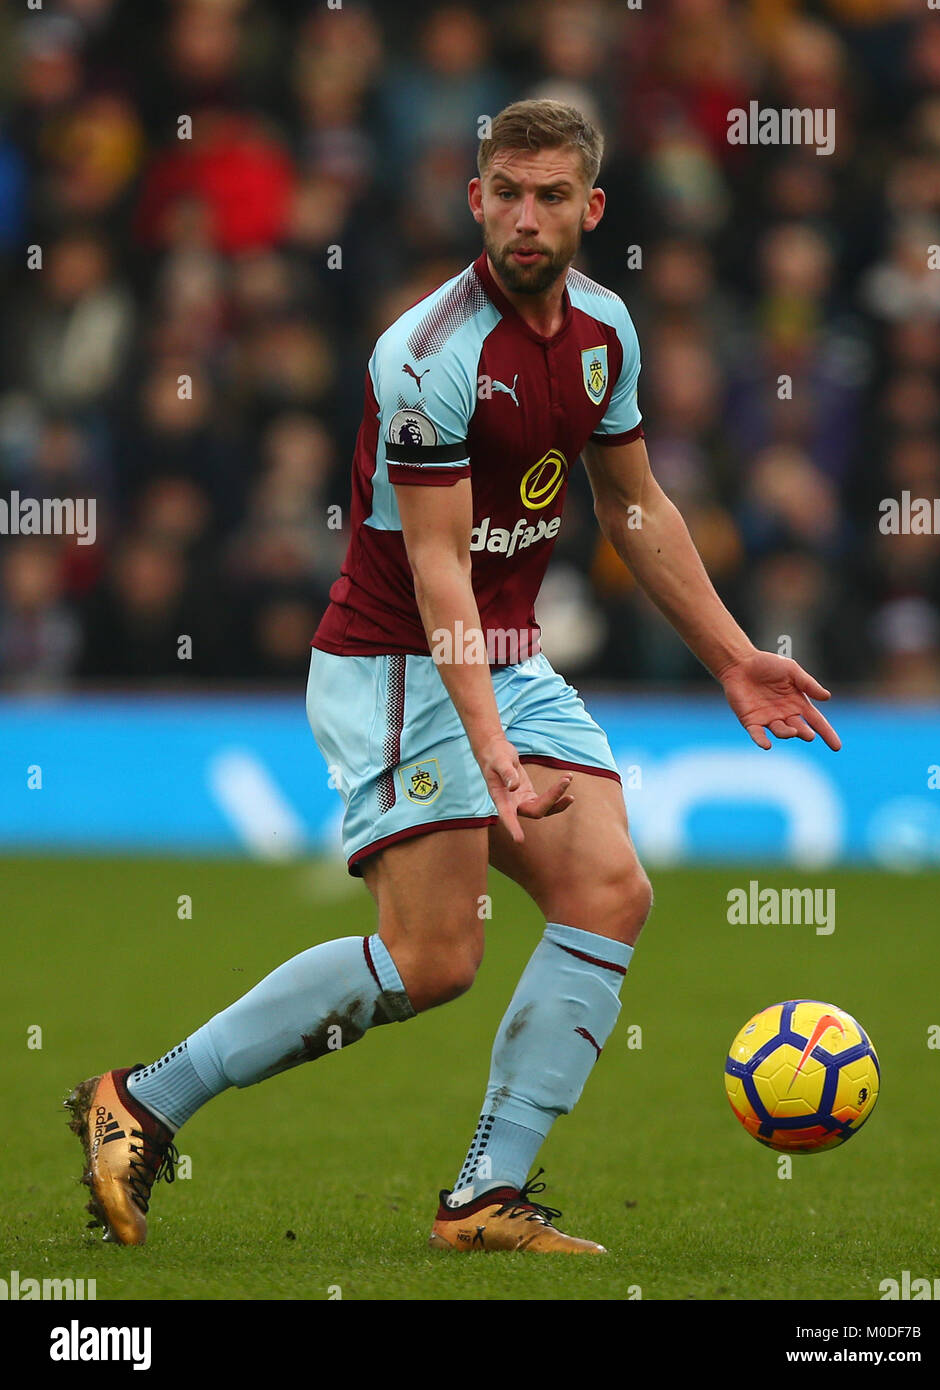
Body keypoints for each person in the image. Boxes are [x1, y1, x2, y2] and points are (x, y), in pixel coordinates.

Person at [66, 100, 840, 1254]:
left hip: (507, 656)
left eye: (550, 196)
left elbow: (632, 504)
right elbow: (435, 575)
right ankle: (144, 1099)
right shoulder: (428, 356)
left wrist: (731, 657)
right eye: (505, 194)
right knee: (435, 961)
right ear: (475, 199)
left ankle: (483, 1195)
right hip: (396, 666)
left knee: (607, 893)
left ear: (590, 207)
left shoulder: (605, 332)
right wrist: (486, 746)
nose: (526, 218)